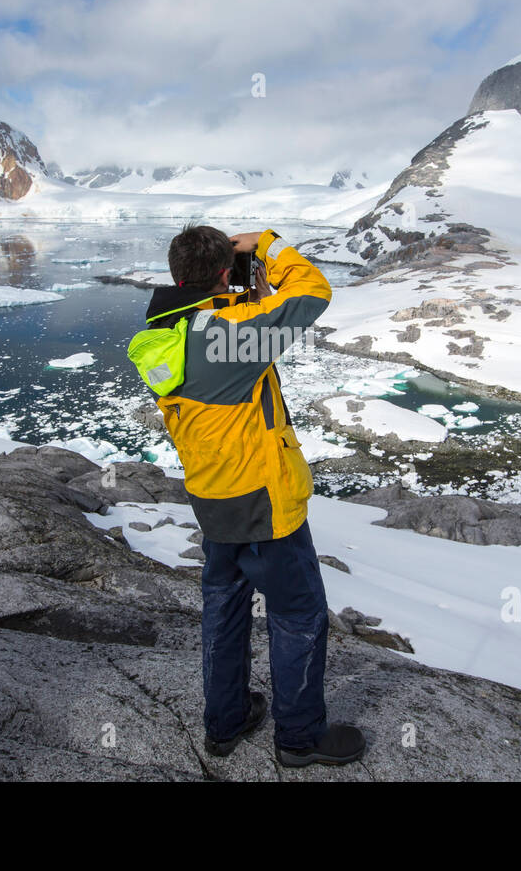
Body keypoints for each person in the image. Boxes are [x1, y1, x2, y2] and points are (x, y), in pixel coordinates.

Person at [136, 222, 366, 767]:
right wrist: (265, 244)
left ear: (177, 275)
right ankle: (301, 737)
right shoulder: (233, 333)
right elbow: (313, 293)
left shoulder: (162, 331)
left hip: (210, 496)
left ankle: (226, 721)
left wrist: (237, 297)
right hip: (263, 502)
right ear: (222, 273)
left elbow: (219, 335)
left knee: (224, 604)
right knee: (299, 614)